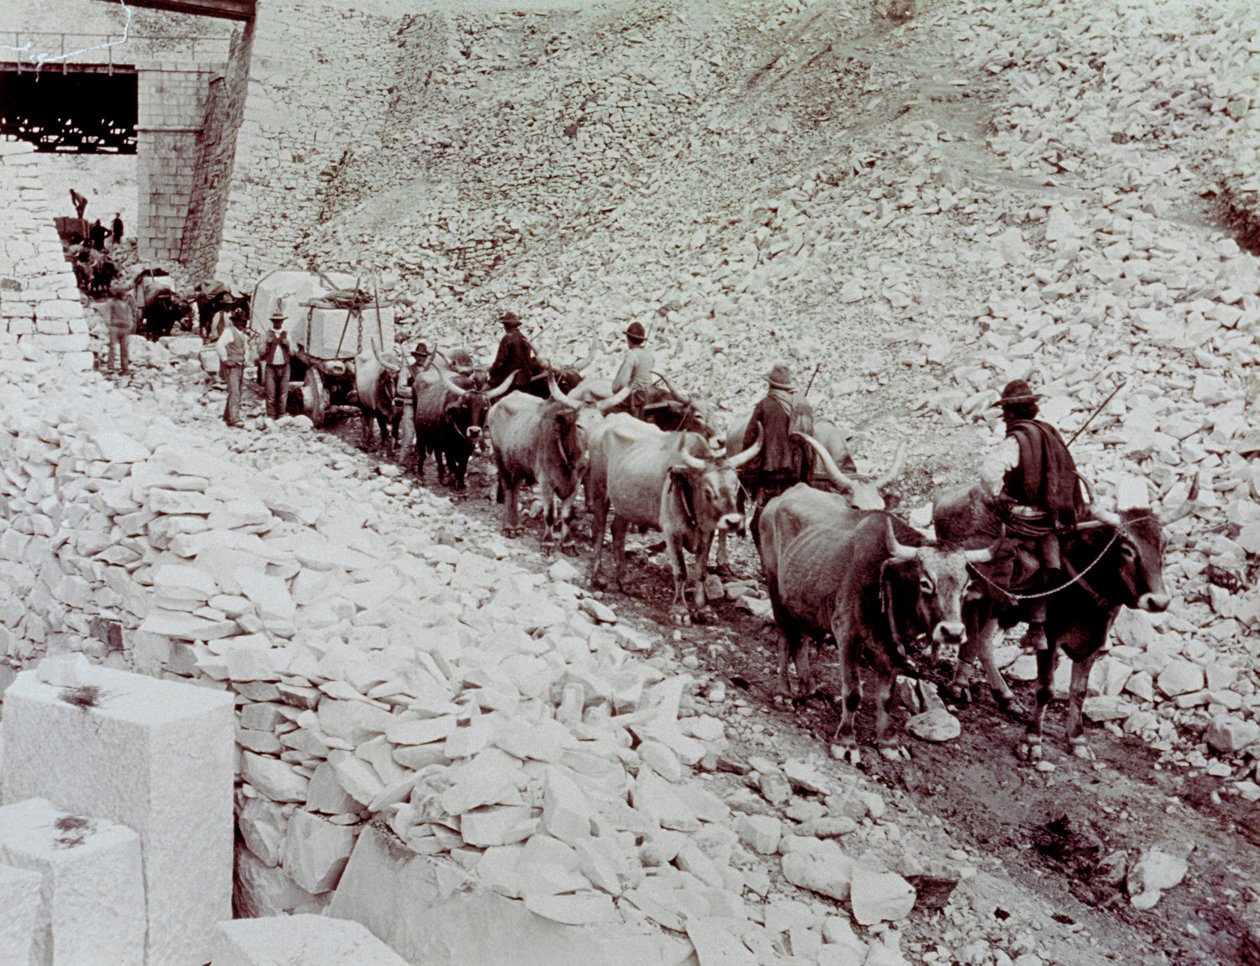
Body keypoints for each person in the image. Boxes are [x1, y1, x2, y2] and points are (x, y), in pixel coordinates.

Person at [978, 378, 1085, 652]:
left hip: (1021, 517)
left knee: (987, 546)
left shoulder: (1017, 438)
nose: (1005, 420)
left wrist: (997, 495)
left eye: (1005, 415)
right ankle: (1038, 626)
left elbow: (989, 471)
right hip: (1050, 518)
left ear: (1012, 413)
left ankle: (992, 598)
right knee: (1050, 560)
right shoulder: (1049, 433)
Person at [742, 363, 815, 505]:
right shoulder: (804, 404)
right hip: (800, 470)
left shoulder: (765, 404)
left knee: (769, 506)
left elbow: (750, 437)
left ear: (771, 385)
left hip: (773, 469)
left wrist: (748, 470)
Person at [610, 321, 655, 417]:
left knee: (608, 409)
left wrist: (614, 389)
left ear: (628, 340)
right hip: (645, 395)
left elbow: (621, 383)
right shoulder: (649, 354)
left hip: (634, 398)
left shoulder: (631, 354)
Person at [488, 311, 540, 391]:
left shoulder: (507, 338)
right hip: (525, 376)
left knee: (486, 388)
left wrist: (492, 371)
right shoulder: (524, 337)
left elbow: (500, 362)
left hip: (511, 377)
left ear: (506, 326)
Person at [216, 308, 251, 427]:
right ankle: (234, 418)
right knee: (234, 391)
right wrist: (225, 359)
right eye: (239, 321)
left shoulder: (243, 335)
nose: (242, 324)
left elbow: (246, 348)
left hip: (240, 366)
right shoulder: (229, 332)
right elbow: (219, 345)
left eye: (243, 321)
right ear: (235, 321)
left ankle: (227, 416)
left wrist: (246, 359)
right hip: (232, 366)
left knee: (237, 391)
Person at [259, 308, 292, 420]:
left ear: (282, 322)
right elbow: (260, 353)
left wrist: (287, 345)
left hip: (285, 366)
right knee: (271, 393)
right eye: (275, 321)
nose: (278, 323)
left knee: (283, 393)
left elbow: (293, 353)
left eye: (280, 321)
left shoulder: (287, 334)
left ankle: (281, 414)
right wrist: (266, 344)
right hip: (271, 367)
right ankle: (271, 415)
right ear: (272, 321)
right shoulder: (266, 334)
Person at [104, 280, 135, 376]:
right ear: (118, 294)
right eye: (123, 293)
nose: (125, 295)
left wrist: (131, 325)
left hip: (125, 329)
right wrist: (109, 325)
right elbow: (107, 315)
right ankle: (110, 367)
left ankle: (125, 368)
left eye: (125, 293)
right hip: (115, 328)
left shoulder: (126, 304)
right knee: (112, 348)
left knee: (125, 349)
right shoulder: (111, 302)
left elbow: (130, 315)